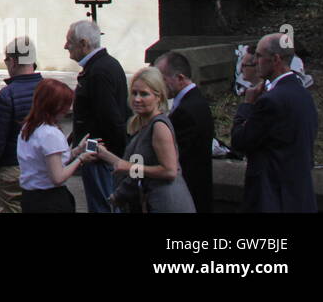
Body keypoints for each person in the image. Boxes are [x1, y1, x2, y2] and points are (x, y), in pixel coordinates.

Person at [231, 32, 318, 212]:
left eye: (260, 56)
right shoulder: (304, 95)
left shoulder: (270, 101)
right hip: (299, 196)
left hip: (272, 197)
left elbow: (240, 141)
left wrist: (247, 105)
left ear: (276, 59)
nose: (255, 61)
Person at [92, 67, 196, 212]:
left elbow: (170, 171)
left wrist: (128, 167)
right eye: (134, 93)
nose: (137, 99)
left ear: (158, 97)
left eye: (144, 94)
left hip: (168, 204)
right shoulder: (143, 125)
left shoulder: (159, 126)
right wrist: (105, 155)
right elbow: (137, 169)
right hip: (152, 202)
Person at [65, 18, 127, 213]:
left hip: (99, 154)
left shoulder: (99, 71)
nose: (66, 46)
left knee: (103, 204)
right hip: (99, 150)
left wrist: (105, 153)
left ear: (84, 44)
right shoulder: (104, 66)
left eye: (69, 42)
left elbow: (108, 117)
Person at [0, 36, 43, 213]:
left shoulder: (7, 95)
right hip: (40, 166)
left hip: (11, 169)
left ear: (14, 62)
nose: (6, 64)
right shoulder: (47, 89)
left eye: (6, 60)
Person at [17, 77, 90, 212]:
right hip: (50, 199)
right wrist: (80, 159)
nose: (68, 109)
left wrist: (76, 151)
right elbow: (58, 177)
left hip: (30, 196)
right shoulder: (50, 133)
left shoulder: (28, 127)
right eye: (66, 105)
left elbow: (48, 162)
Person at [155, 50, 214, 213]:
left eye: (162, 80)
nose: (158, 86)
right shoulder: (193, 102)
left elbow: (175, 157)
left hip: (188, 194)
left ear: (180, 78)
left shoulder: (187, 110)